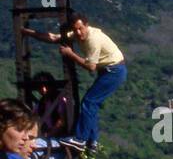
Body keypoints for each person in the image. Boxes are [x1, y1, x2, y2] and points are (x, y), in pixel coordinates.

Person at [22, 12, 127, 150]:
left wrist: (70, 54)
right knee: (91, 103)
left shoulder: (93, 39)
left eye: (80, 28)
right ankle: (92, 140)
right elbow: (53, 38)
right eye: (75, 29)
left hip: (114, 71)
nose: (78, 32)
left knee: (89, 102)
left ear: (86, 26)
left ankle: (80, 139)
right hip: (109, 70)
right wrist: (27, 32)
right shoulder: (77, 34)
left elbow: (91, 67)